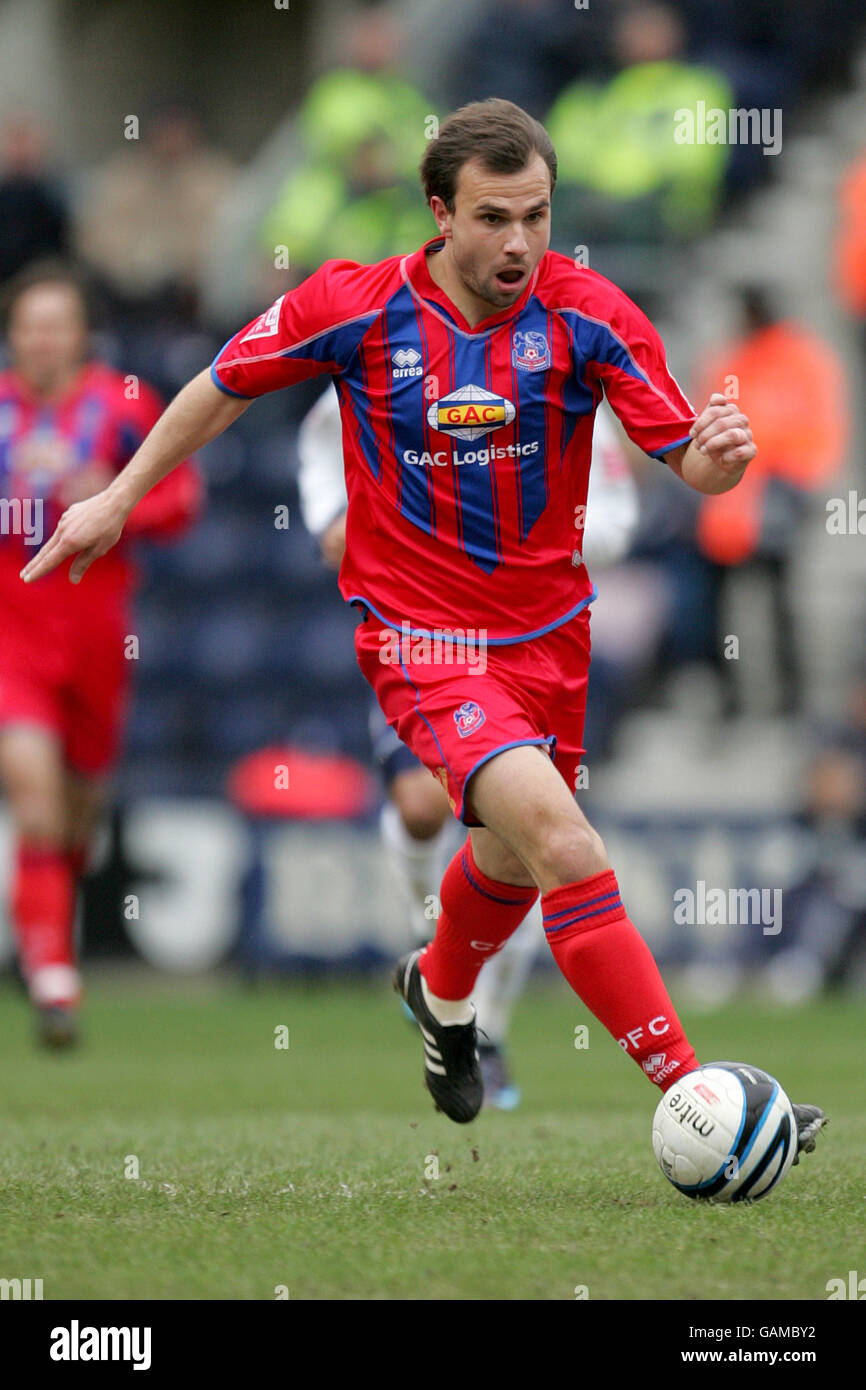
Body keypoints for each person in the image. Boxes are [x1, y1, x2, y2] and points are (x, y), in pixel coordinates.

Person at [21, 101, 825, 1166]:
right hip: (420, 636)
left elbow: (685, 457)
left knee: (503, 859)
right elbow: (219, 387)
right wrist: (120, 495)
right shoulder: (354, 305)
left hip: (552, 638)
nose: (519, 244)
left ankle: (438, 988)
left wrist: (722, 455)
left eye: (536, 216)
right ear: (438, 212)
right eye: (493, 218)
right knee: (564, 846)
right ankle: (701, 1095)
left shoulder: (589, 313)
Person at [297, 383, 638, 1108]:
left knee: (521, 852)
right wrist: (331, 515)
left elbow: (616, 516)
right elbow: (323, 437)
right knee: (423, 807)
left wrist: (530, 539)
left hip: (532, 644)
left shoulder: (568, 375)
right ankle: (443, 946)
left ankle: (482, 1022)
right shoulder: (396, 347)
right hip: (423, 630)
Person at [0, 263, 201, 1044]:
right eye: (30, 325)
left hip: (94, 639)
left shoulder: (123, 403)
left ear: (82, 333)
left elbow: (182, 499)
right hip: (11, 632)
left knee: (79, 808)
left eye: (58, 324)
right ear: (14, 333)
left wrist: (118, 501)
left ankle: (44, 933)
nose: (43, 339)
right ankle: (55, 979)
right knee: (37, 799)